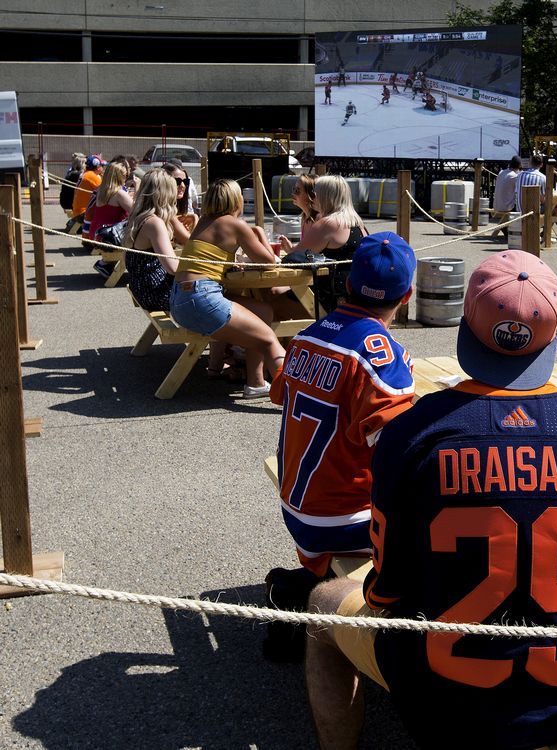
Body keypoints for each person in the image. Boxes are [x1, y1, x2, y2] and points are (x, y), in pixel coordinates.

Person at [303, 250, 557, 750]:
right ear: (553, 335)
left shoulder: (414, 434)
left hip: (444, 697)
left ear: (466, 324)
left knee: (322, 602)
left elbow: (385, 595)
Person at [263, 232, 417, 661]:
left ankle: (300, 588)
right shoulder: (380, 353)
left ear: (348, 283)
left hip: (296, 503)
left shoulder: (309, 335)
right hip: (340, 519)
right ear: (406, 296)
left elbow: (282, 392)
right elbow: (402, 451)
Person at [171, 179, 285, 399]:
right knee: (269, 339)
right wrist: (258, 231)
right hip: (201, 299)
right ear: (236, 200)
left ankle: (256, 383)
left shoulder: (203, 221)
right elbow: (269, 261)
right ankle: (296, 393)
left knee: (263, 313)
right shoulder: (235, 225)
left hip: (181, 300)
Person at [280, 174, 368, 311]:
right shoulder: (358, 223)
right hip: (355, 295)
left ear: (326, 196)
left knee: (270, 301)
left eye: (315, 193)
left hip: (328, 299)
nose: (312, 197)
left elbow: (294, 258)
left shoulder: (328, 223)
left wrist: (288, 250)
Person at [123, 168, 180, 314]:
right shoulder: (154, 223)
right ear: (166, 193)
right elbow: (173, 268)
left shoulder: (139, 217)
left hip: (143, 290)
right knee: (218, 290)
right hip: (156, 293)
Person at [88, 161, 133, 278]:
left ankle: (105, 264)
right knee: (141, 228)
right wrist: (137, 187)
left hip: (97, 233)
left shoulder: (101, 191)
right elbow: (136, 211)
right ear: (119, 176)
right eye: (125, 175)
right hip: (109, 237)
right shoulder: (119, 194)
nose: (126, 177)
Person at [492, 156, 521, 239]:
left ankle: (505, 228)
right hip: (506, 207)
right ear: (519, 165)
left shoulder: (501, 172)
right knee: (522, 206)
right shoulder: (514, 176)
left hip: (497, 205)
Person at [72, 154, 104, 220]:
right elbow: (105, 192)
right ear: (98, 167)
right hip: (83, 213)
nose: (103, 168)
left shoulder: (86, 173)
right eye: (102, 166)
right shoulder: (92, 176)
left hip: (78, 211)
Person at [60, 153, 85, 224]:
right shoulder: (78, 175)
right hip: (69, 203)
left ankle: (74, 222)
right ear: (82, 164)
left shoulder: (71, 172)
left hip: (65, 201)